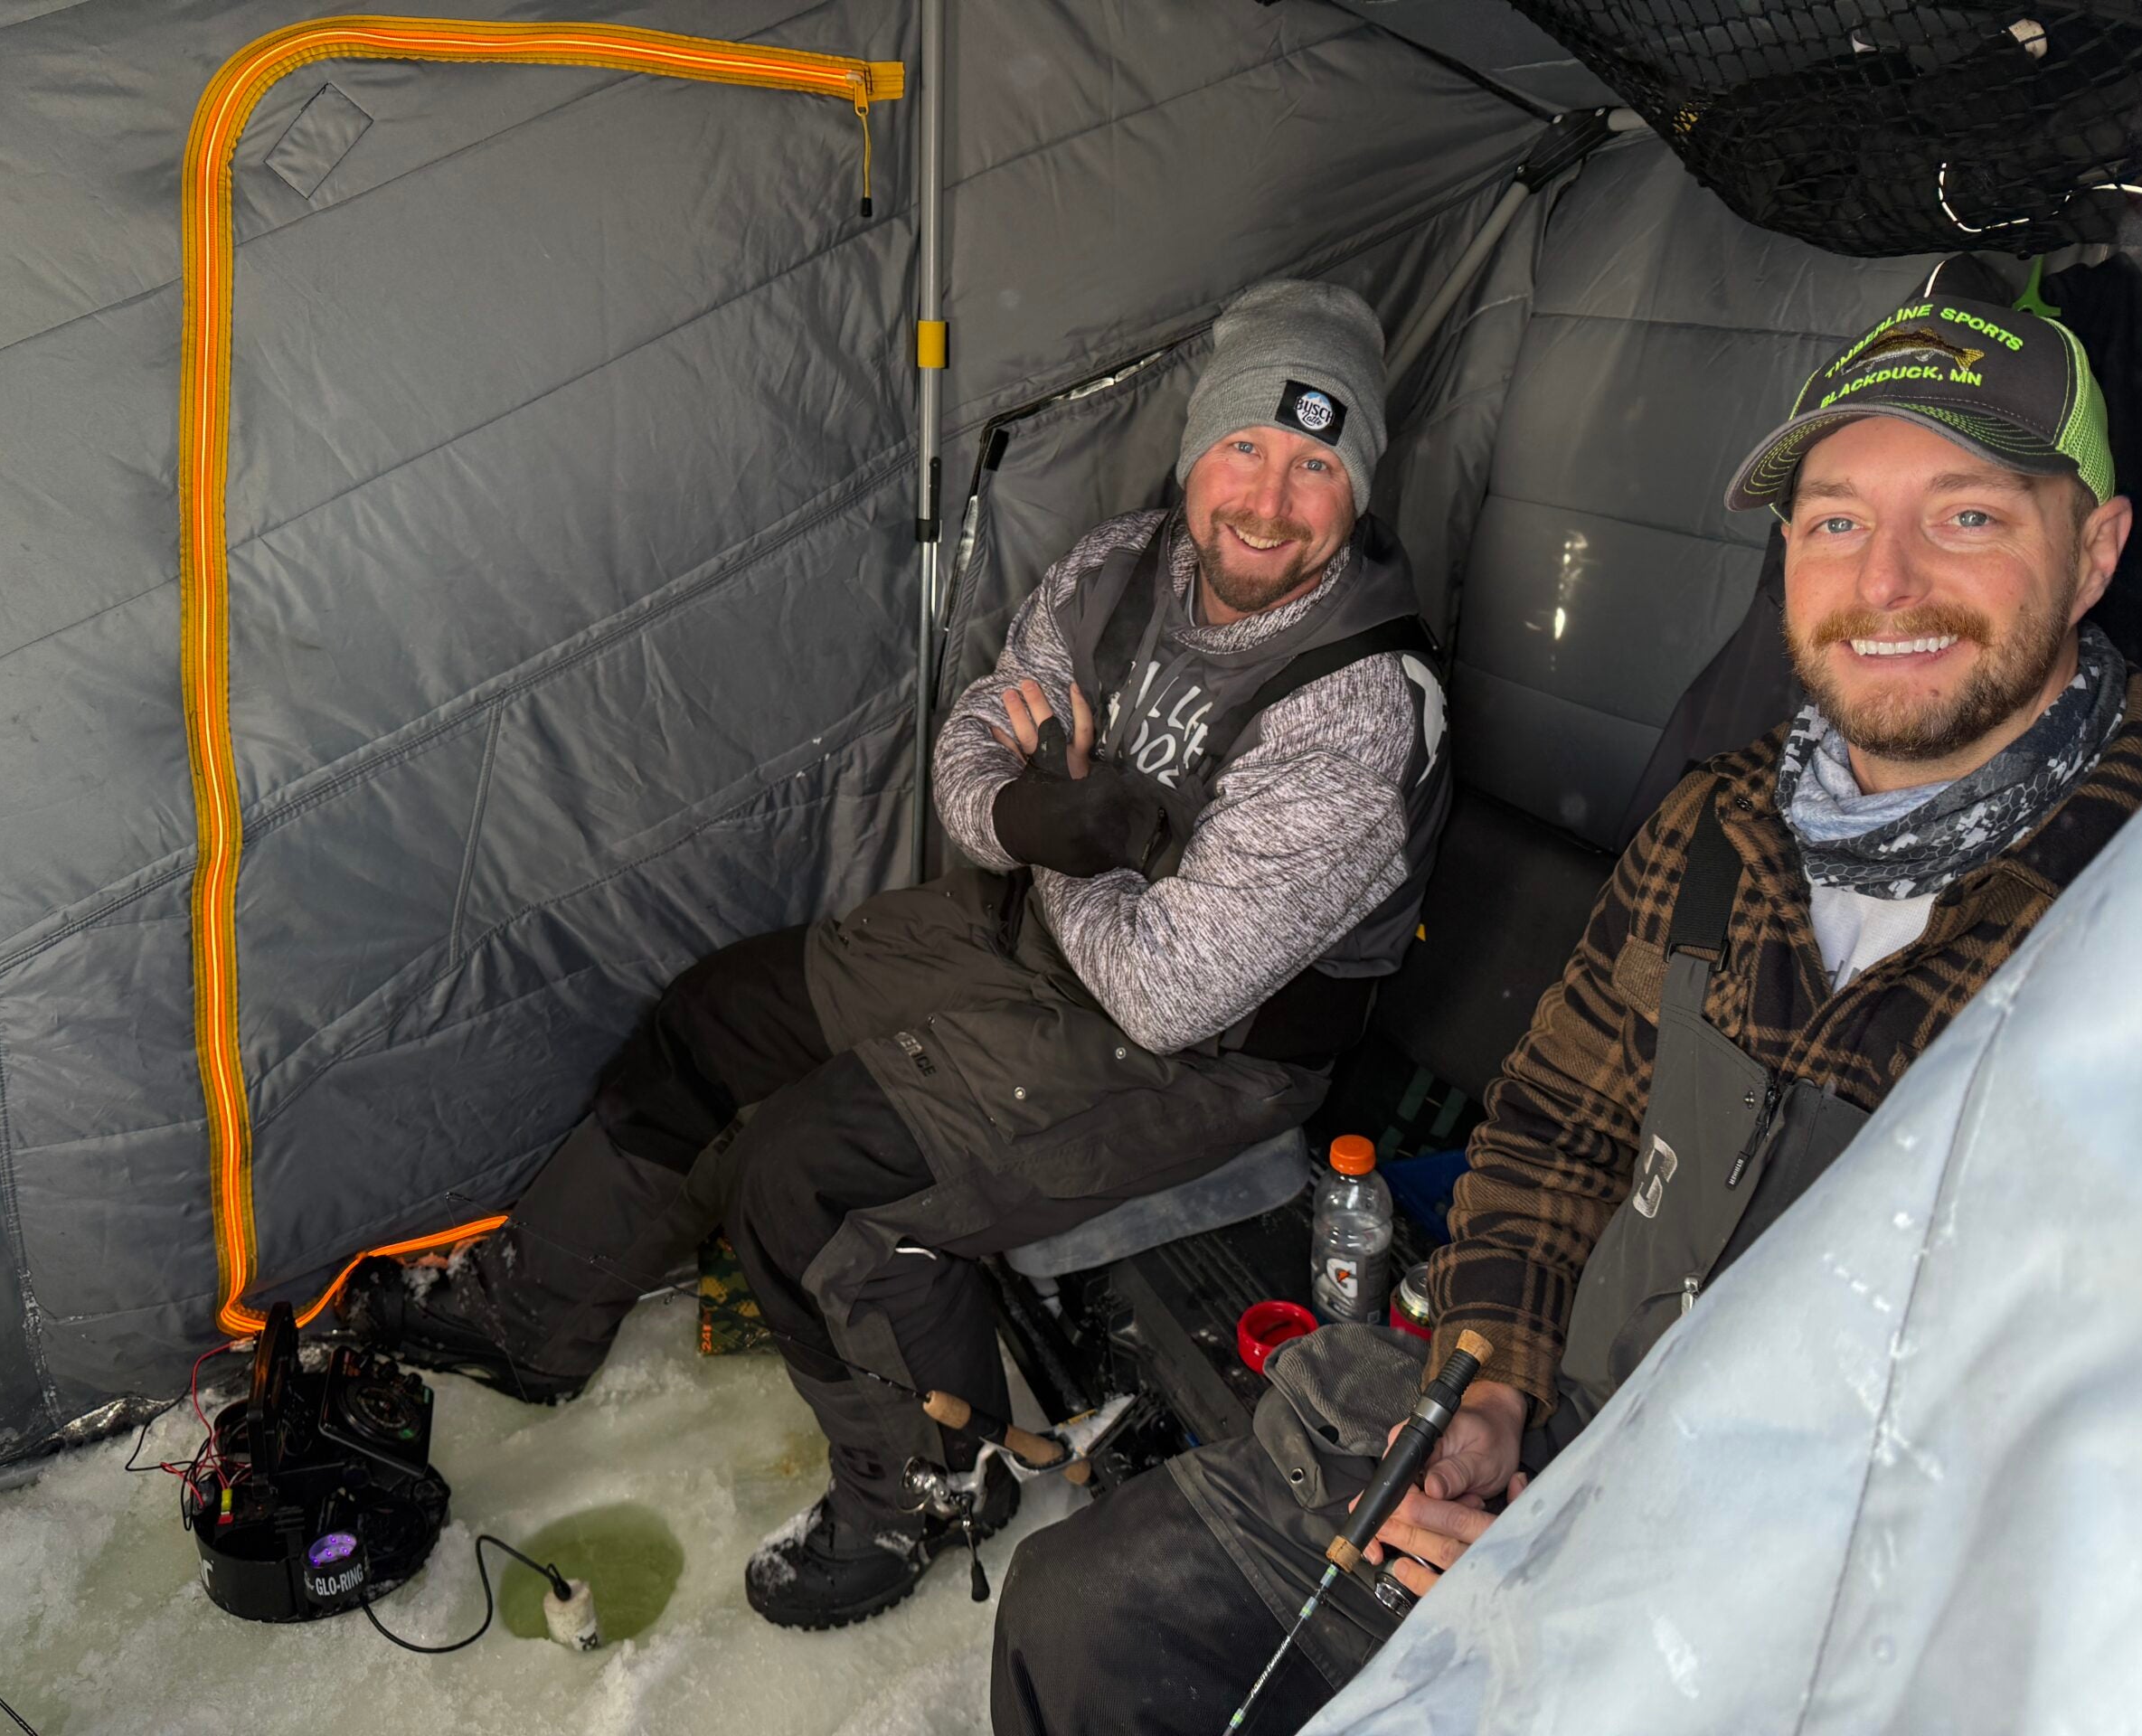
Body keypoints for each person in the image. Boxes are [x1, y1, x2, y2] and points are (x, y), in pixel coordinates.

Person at [988, 278, 2142, 1736]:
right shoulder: (1723, 827)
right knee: (1082, 1619)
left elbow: (2104, 1517)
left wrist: (1647, 1578)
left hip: (1805, 1638)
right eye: (1836, 520)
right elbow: (1552, 1136)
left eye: (1970, 516)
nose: (1885, 582)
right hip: (1554, 1456)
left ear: (2098, 550)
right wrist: (1488, 1388)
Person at [343, 278, 1453, 1628]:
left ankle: (932, 1483)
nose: (1269, 501)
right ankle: (535, 1317)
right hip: (1040, 936)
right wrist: (1032, 813)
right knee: (717, 1017)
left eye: (1316, 465)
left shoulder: (1356, 706)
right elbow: (974, 739)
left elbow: (1170, 991)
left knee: (811, 1185)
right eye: (1245, 447)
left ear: (1360, 489)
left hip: (1199, 1058)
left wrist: (1044, 843)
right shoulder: (1124, 566)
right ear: (1195, 448)